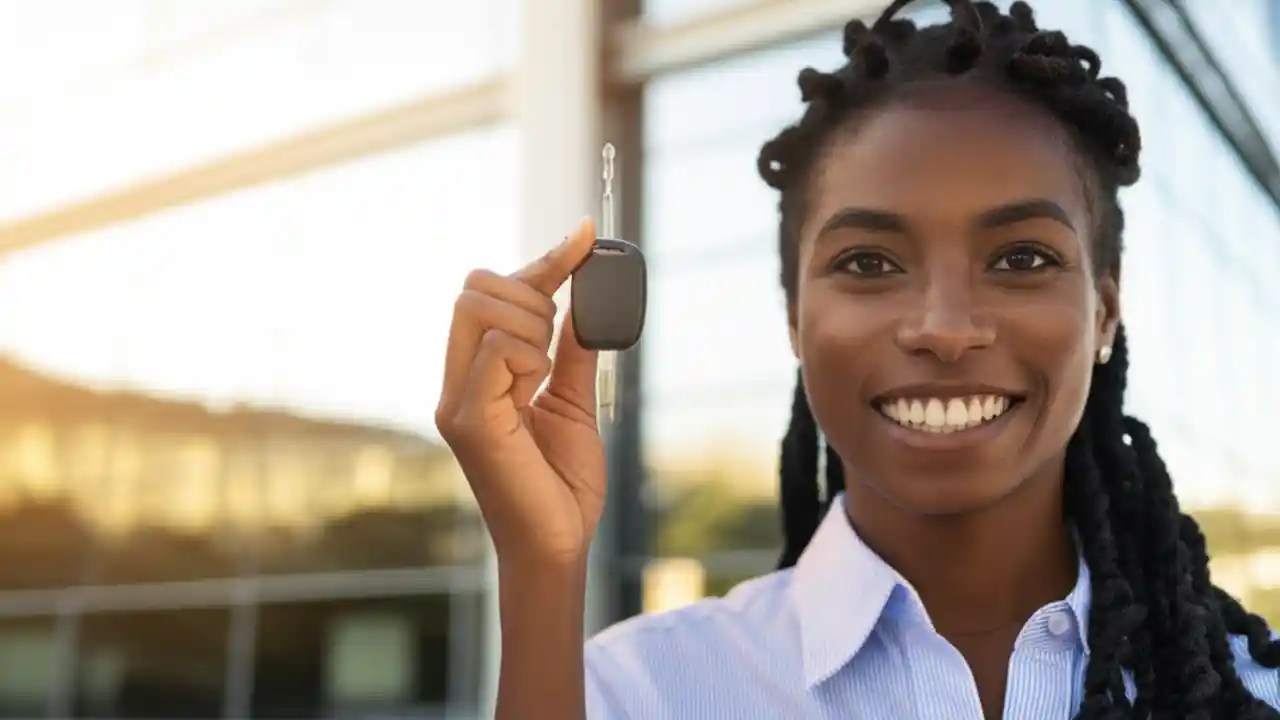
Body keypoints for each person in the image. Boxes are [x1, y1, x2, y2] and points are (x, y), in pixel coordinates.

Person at [435, 0, 1280, 717]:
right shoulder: (633, 691)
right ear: (794, 320)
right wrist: (541, 570)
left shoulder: (1250, 693)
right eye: (869, 263)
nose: (945, 328)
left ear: (1104, 311)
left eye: (1021, 257)